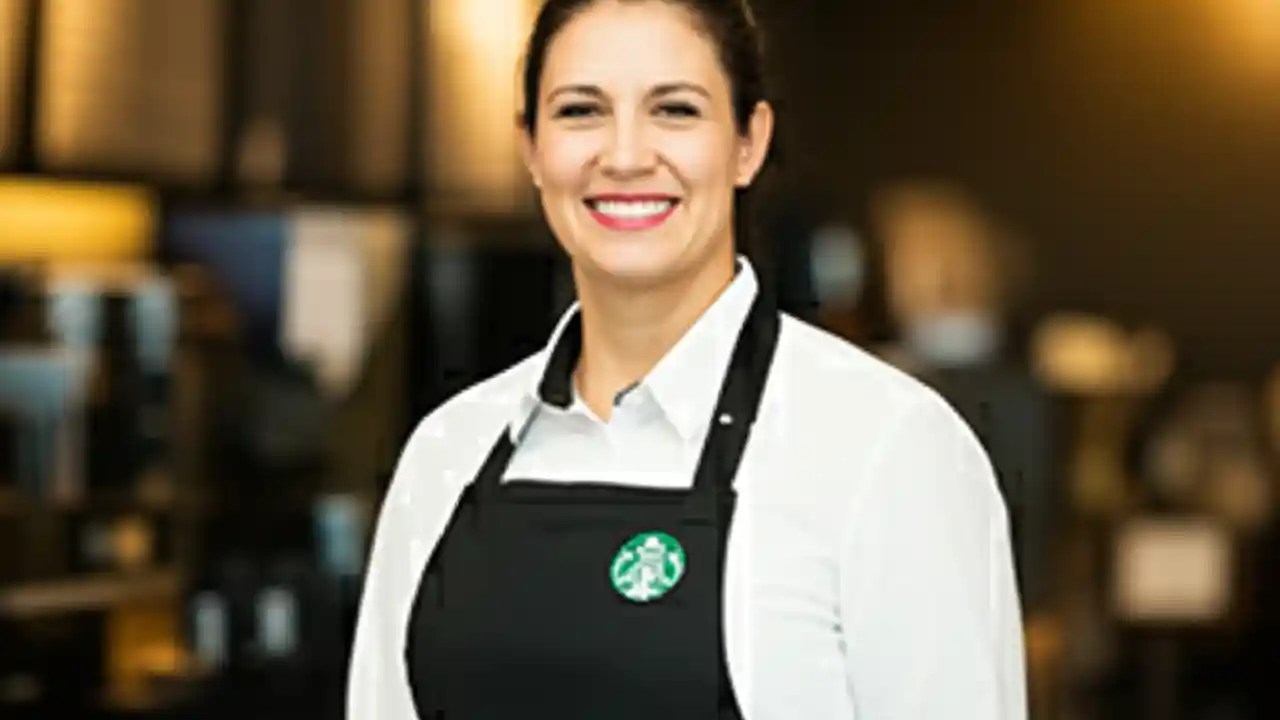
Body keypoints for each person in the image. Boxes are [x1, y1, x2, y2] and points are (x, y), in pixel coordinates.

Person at [347, 0, 1027, 717]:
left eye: (674, 110)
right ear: (531, 149)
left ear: (748, 143)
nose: (627, 155)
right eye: (582, 111)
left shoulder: (887, 449)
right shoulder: (446, 454)